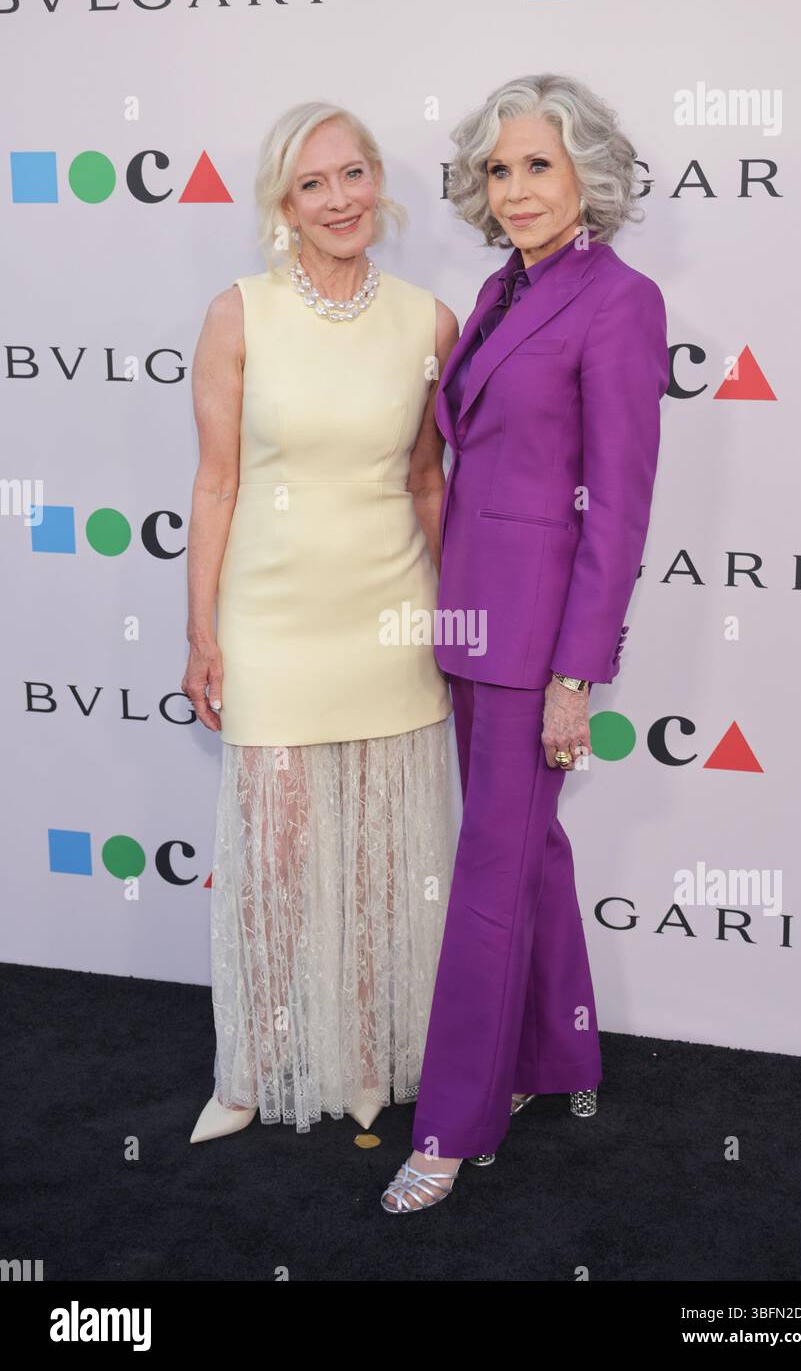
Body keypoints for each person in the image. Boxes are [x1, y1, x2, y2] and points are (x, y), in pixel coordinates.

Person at [381, 73, 669, 1213]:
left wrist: (575, 672)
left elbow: (622, 505)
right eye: (500, 169)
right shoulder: (501, 290)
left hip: (537, 639)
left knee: (491, 875)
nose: (516, 188)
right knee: (530, 850)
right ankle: (559, 1055)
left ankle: (452, 1123)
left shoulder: (620, 300)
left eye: (539, 164)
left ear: (587, 172)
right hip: (469, 621)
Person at [182, 101, 459, 1143]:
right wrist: (203, 631)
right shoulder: (238, 314)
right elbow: (215, 485)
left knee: (385, 857)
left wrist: (463, 619)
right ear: (282, 205)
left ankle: (369, 1063)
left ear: (378, 183)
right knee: (277, 854)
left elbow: (429, 482)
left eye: (353, 175)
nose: (339, 200)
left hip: (391, 616)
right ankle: (250, 1069)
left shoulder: (430, 320)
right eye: (313, 184)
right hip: (273, 617)